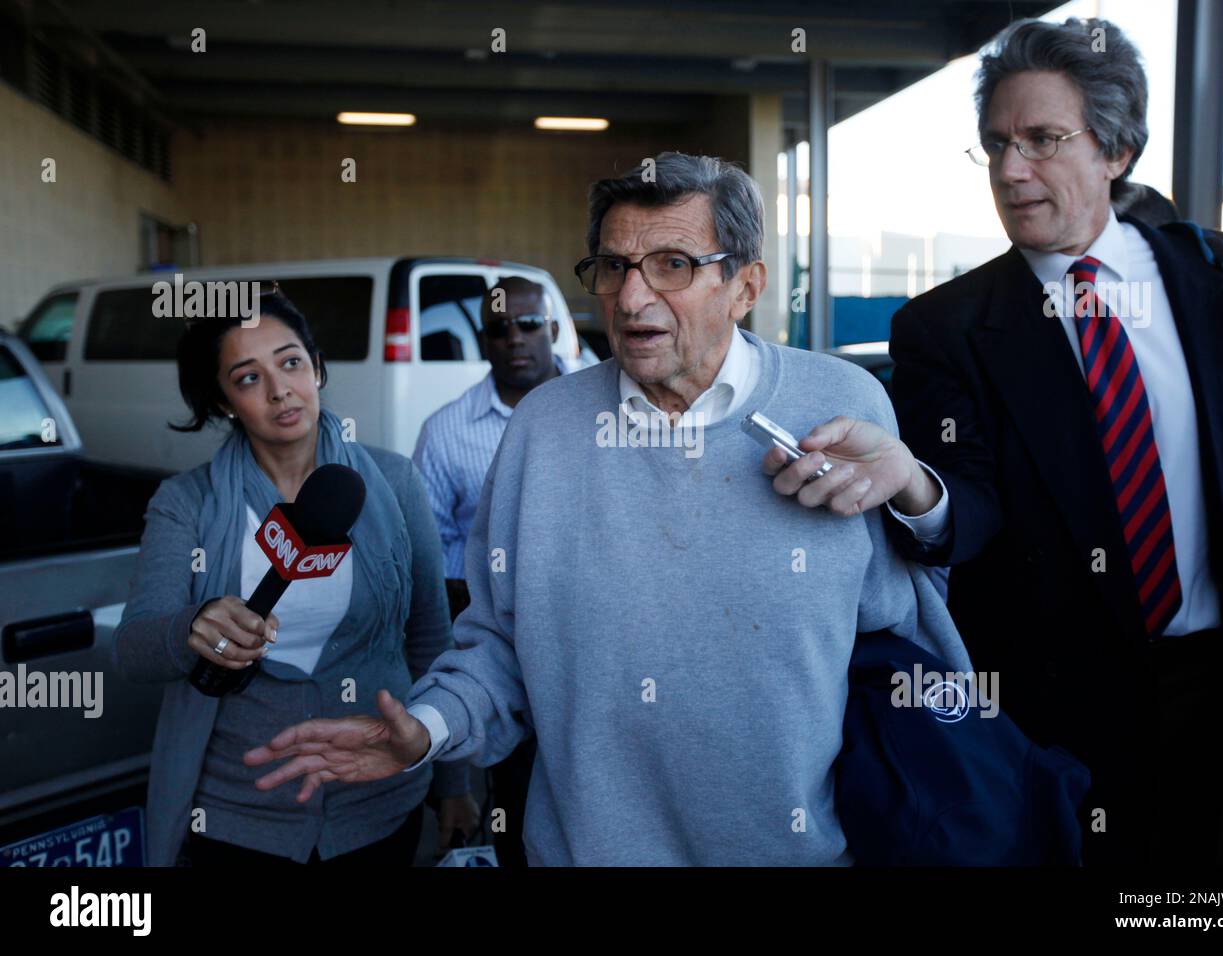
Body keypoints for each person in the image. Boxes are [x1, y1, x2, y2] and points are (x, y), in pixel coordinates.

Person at [244, 152, 972, 866]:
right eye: (615, 266)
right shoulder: (544, 429)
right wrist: (426, 728)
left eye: (672, 265)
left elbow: (907, 632)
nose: (631, 298)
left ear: (746, 284)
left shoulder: (839, 404)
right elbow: (500, 642)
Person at [762, 18, 1223, 865]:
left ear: (1117, 149)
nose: (1012, 172)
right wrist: (912, 481)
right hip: (1050, 718)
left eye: (1043, 140)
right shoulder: (948, 326)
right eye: (996, 145)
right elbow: (972, 499)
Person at [112, 288, 478, 866]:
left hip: (378, 806)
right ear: (225, 401)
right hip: (237, 817)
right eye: (248, 377)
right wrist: (192, 628)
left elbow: (432, 641)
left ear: (316, 367)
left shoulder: (394, 481)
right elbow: (133, 649)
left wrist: (452, 782)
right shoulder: (186, 502)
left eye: (290, 362)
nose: (281, 390)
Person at [411, 275, 566, 866]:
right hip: (506, 655)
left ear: (552, 330)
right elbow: (431, 554)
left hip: (599, 655)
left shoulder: (608, 408)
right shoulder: (446, 432)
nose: (515, 339)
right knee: (520, 808)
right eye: (498, 329)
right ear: (483, 340)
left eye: (528, 325)